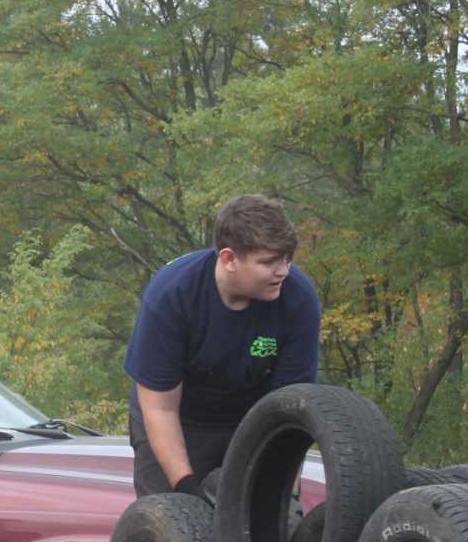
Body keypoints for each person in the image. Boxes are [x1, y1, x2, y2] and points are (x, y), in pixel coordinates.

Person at [123, 194, 323, 497]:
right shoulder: (172, 295)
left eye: (287, 259)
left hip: (250, 418)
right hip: (177, 417)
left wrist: (285, 496)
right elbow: (160, 409)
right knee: (174, 519)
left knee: (267, 514)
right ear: (229, 259)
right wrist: (186, 489)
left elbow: (288, 411)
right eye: (269, 262)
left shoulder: (298, 299)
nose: (283, 271)